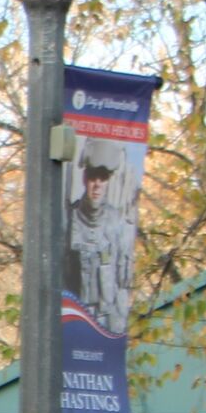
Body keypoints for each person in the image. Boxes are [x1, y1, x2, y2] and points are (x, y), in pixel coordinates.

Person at [64, 139, 135, 334]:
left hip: (106, 322)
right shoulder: (68, 221)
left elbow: (122, 286)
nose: (97, 185)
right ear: (84, 179)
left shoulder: (119, 225)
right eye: (92, 177)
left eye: (102, 178)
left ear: (108, 182)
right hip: (74, 318)